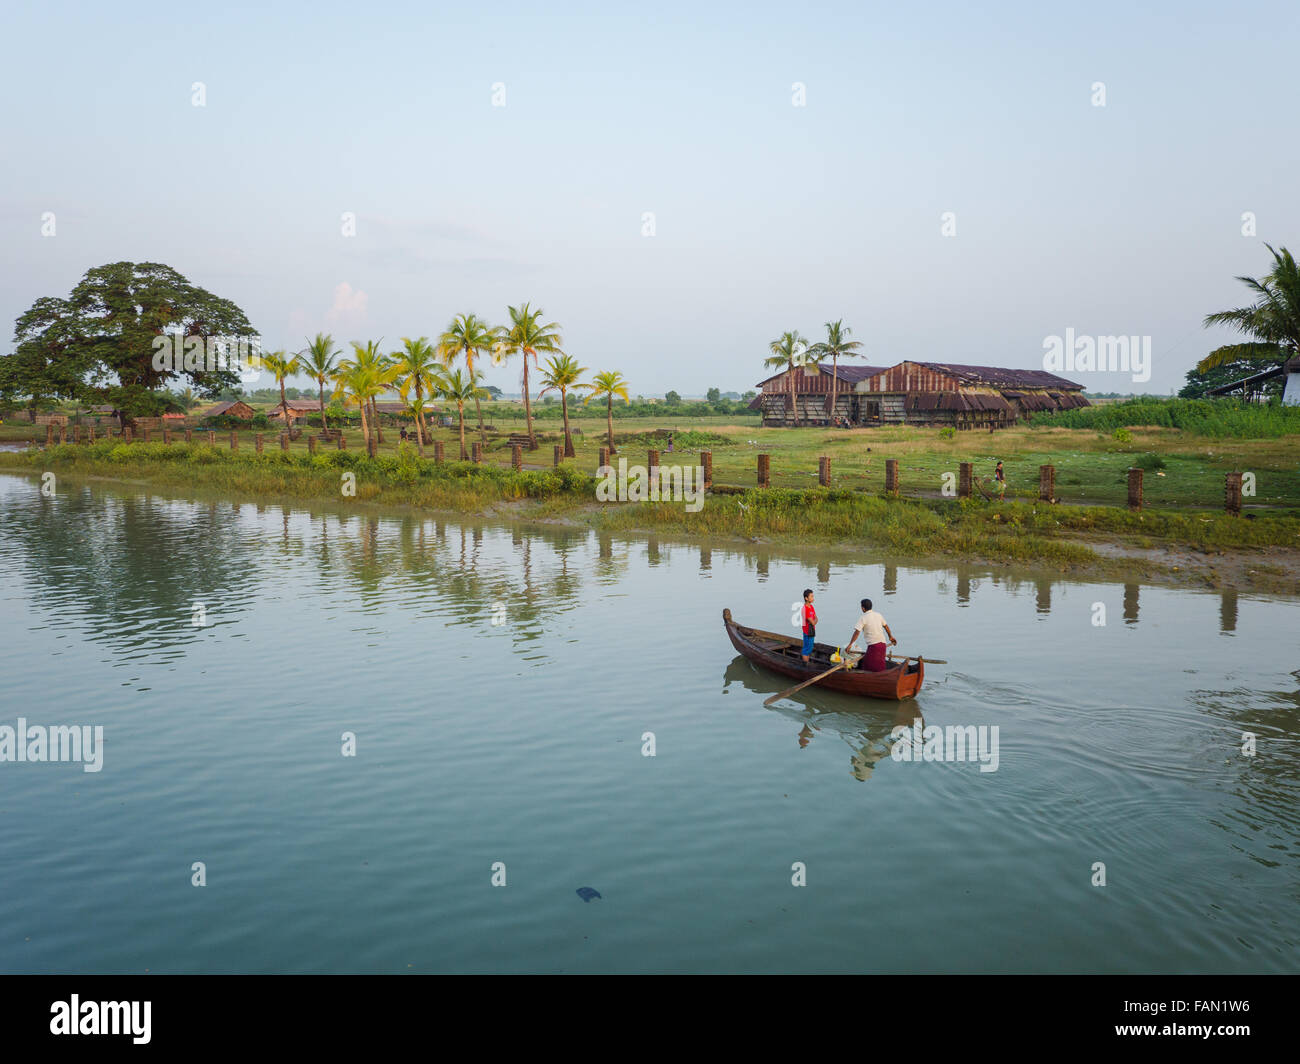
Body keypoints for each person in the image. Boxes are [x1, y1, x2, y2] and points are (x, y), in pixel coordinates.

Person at [845, 598, 896, 672]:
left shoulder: (863, 617)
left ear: (863, 608)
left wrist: (850, 644)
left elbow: (857, 632)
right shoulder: (878, 615)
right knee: (880, 665)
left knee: (867, 665)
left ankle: (874, 679)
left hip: (874, 646)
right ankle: (881, 677)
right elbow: (886, 626)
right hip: (883, 645)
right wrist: (890, 637)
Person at [800, 588, 817, 663]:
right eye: (811, 596)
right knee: (806, 649)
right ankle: (805, 665)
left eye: (813, 596)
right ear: (806, 598)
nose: (813, 598)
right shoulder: (805, 609)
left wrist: (814, 621)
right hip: (807, 632)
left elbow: (816, 618)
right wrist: (814, 621)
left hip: (812, 631)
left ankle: (807, 662)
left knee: (810, 648)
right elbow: (813, 621)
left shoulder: (811, 607)